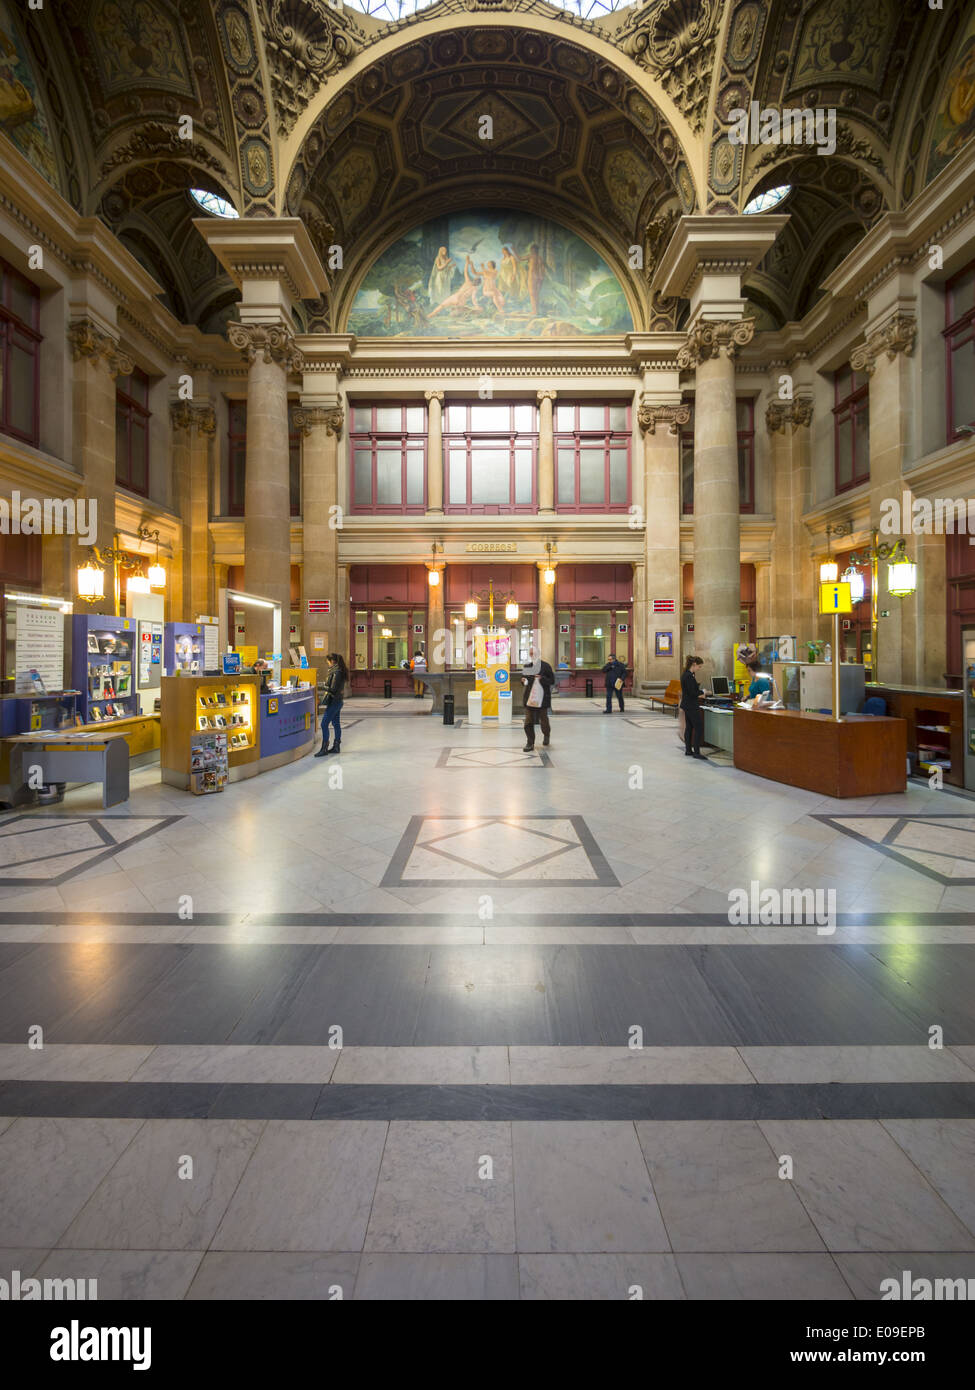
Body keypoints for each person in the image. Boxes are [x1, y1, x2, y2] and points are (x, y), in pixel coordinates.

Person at [522, 647, 555, 751]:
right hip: (530, 699)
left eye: (534, 653)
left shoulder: (546, 666)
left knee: (543, 721)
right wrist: (523, 681)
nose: (532, 655)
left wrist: (542, 679)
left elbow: (552, 680)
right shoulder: (527, 666)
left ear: (539, 654)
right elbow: (524, 680)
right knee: (528, 721)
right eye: (531, 653)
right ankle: (530, 743)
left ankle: (546, 734)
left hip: (542, 699)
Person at [315, 652, 348, 757]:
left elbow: (333, 689)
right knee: (336, 724)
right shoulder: (338, 671)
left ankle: (324, 748)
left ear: (332, 661)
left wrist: (320, 686)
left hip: (334, 701)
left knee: (324, 724)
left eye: (328, 662)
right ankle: (336, 746)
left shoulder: (336, 672)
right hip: (337, 701)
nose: (327, 664)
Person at [681, 654, 707, 760]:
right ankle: (696, 752)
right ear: (694, 664)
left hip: (688, 704)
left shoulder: (688, 674)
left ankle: (688, 750)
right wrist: (702, 691)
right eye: (699, 666)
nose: (699, 669)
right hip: (691, 705)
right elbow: (692, 692)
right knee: (699, 727)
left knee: (690, 727)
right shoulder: (688, 676)